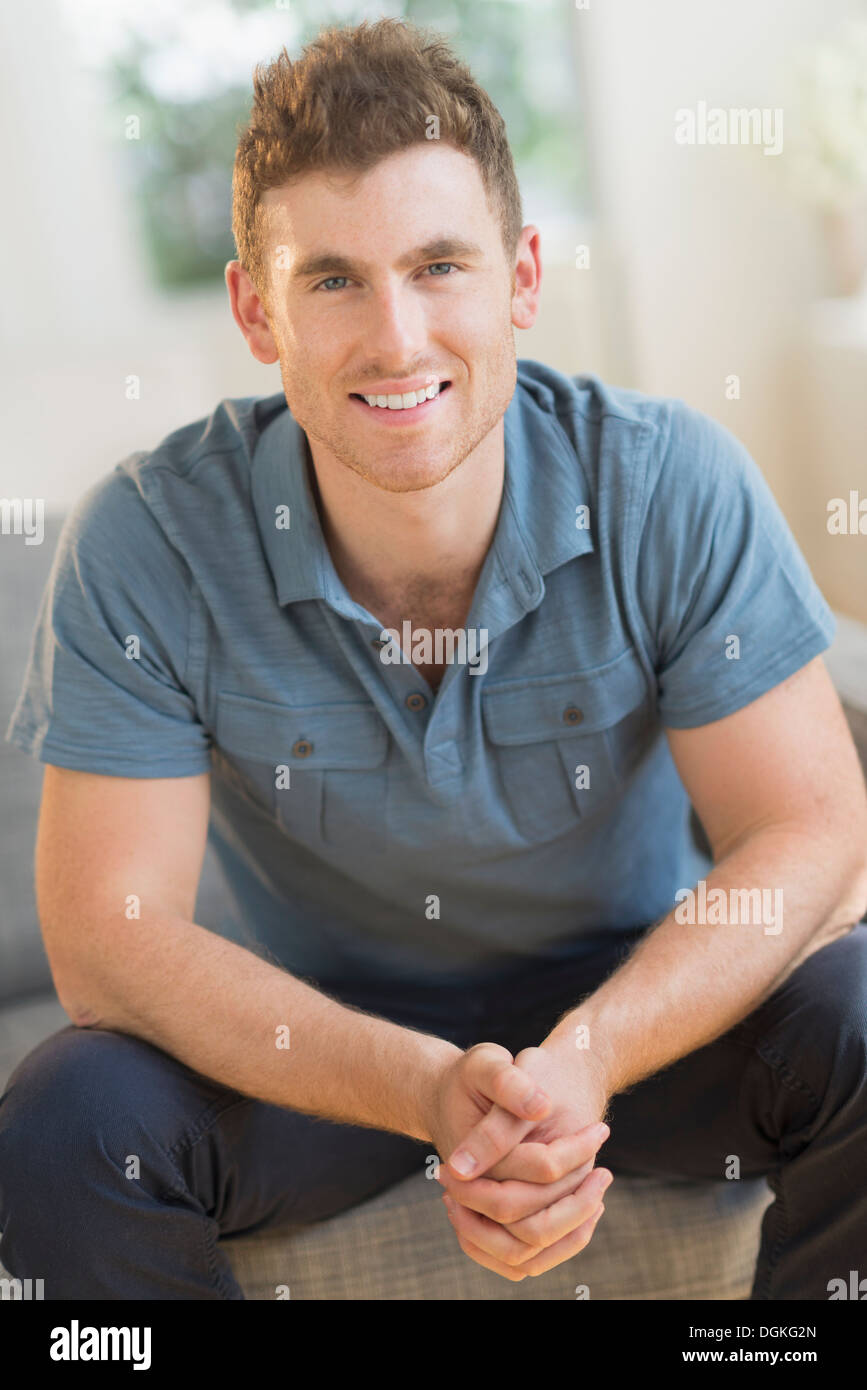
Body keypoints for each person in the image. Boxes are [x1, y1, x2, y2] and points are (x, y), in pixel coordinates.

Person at [1, 18, 866, 1301]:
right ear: (257, 308)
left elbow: (809, 830)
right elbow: (108, 941)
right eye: (334, 279)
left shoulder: (667, 481)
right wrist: (418, 1083)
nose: (398, 339)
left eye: (439, 265)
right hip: (323, 1045)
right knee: (71, 1116)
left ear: (521, 277)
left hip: (641, 1020)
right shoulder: (148, 538)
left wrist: (586, 1056)